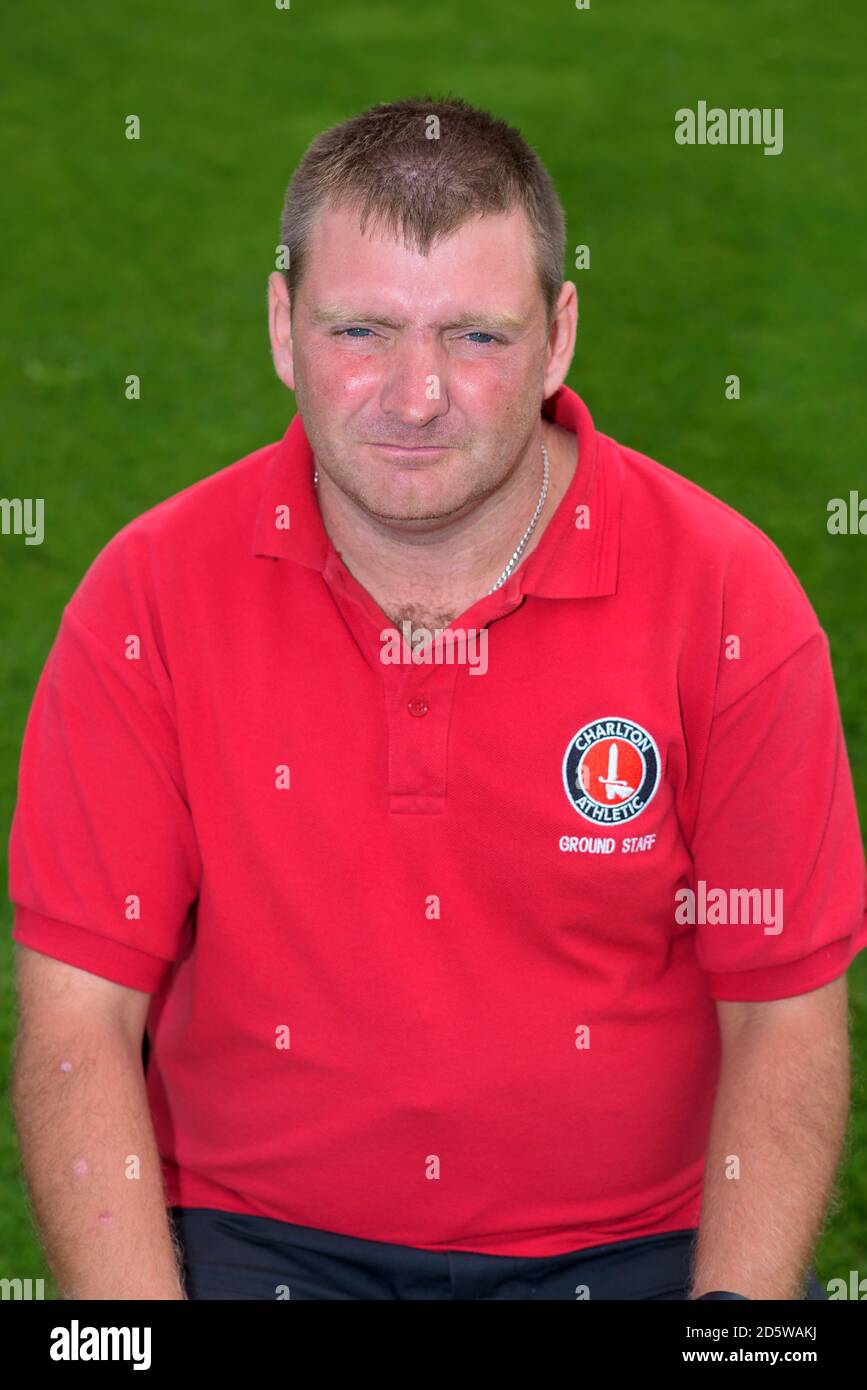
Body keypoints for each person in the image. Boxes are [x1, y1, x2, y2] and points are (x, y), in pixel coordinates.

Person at [9, 97, 865, 1302]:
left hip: (635, 1249)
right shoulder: (144, 598)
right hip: (254, 1238)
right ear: (280, 325)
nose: (416, 397)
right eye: (361, 329)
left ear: (560, 337)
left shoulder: (733, 600)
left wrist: (729, 1329)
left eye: (476, 337)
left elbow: (783, 1016)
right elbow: (77, 1020)